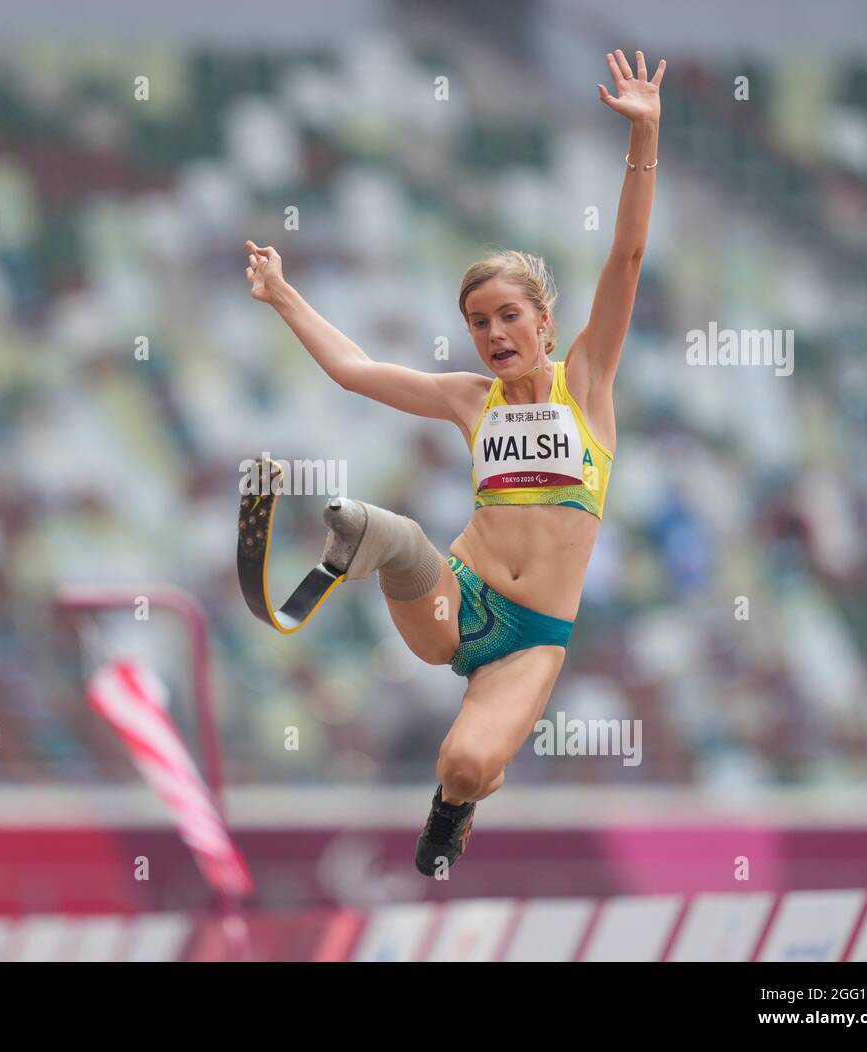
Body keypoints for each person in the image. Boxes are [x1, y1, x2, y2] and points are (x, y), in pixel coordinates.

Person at [245, 49, 665, 876]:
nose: (494, 334)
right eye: (478, 322)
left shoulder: (586, 385)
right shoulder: (467, 400)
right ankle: (360, 542)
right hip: (455, 601)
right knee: (387, 534)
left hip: (529, 643)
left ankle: (455, 806)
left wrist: (644, 136)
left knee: (466, 766)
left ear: (545, 322)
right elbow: (355, 372)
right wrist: (283, 294)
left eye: (509, 316)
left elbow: (624, 259)